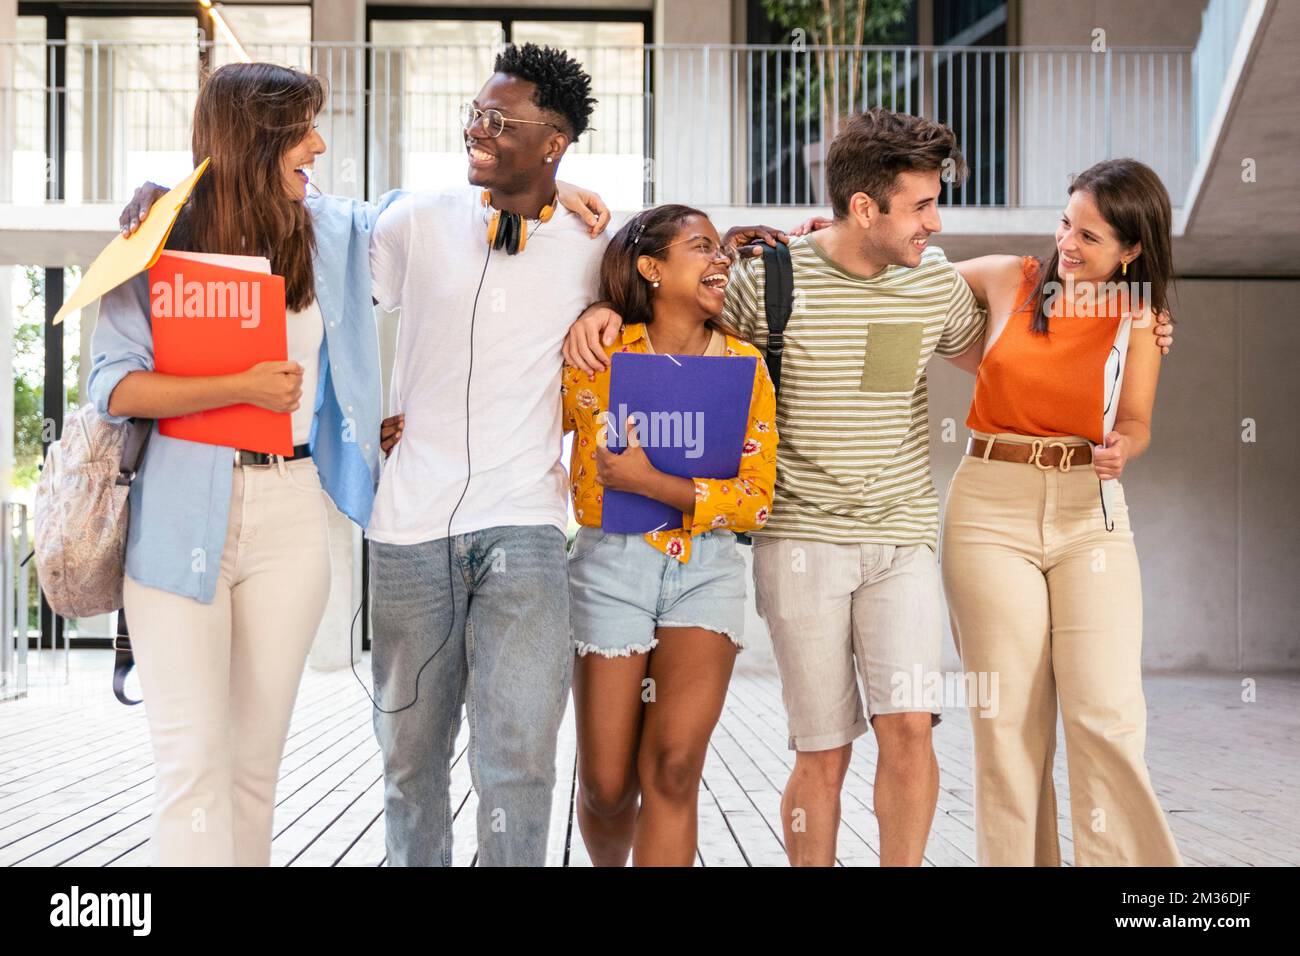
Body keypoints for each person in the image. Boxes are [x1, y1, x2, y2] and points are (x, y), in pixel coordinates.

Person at [565, 110, 1176, 868]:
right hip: (799, 543)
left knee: (911, 729)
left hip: (903, 540)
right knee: (822, 753)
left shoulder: (932, 286)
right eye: (921, 205)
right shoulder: (766, 282)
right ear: (865, 208)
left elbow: (1028, 329)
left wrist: (1138, 313)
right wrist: (599, 308)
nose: (935, 221)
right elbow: (673, 308)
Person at [101, 61, 609, 867]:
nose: (320, 144)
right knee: (208, 767)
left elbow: (646, 264)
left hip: (348, 509)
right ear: (257, 137)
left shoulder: (336, 231)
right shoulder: (172, 233)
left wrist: (575, 216)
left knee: (267, 773)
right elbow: (112, 385)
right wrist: (167, 197)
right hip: (228, 512)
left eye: (502, 120)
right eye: (302, 129)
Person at [365, 43, 608, 867]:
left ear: (554, 144)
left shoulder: (591, 249)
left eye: (501, 121)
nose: (478, 127)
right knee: (409, 765)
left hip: (529, 530)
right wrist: (372, 420)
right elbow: (324, 289)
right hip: (406, 533)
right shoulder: (416, 221)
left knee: (520, 764)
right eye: (476, 112)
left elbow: (690, 268)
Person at [938, 158, 1183, 866]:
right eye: (1065, 223)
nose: (1068, 245)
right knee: (1006, 722)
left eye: (1092, 236)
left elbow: (1136, 419)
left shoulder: (1139, 318)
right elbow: (907, 284)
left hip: (1089, 513)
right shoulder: (1008, 278)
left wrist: (1122, 448)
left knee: (1105, 715)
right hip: (990, 505)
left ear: (1132, 250)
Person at [562, 205, 777, 866]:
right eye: (700, 247)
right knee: (605, 785)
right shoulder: (600, 353)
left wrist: (654, 483)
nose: (720, 260)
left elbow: (755, 503)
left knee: (675, 770)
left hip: (706, 571)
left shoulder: (746, 367)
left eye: (721, 250)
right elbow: (520, 423)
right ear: (651, 268)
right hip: (609, 566)